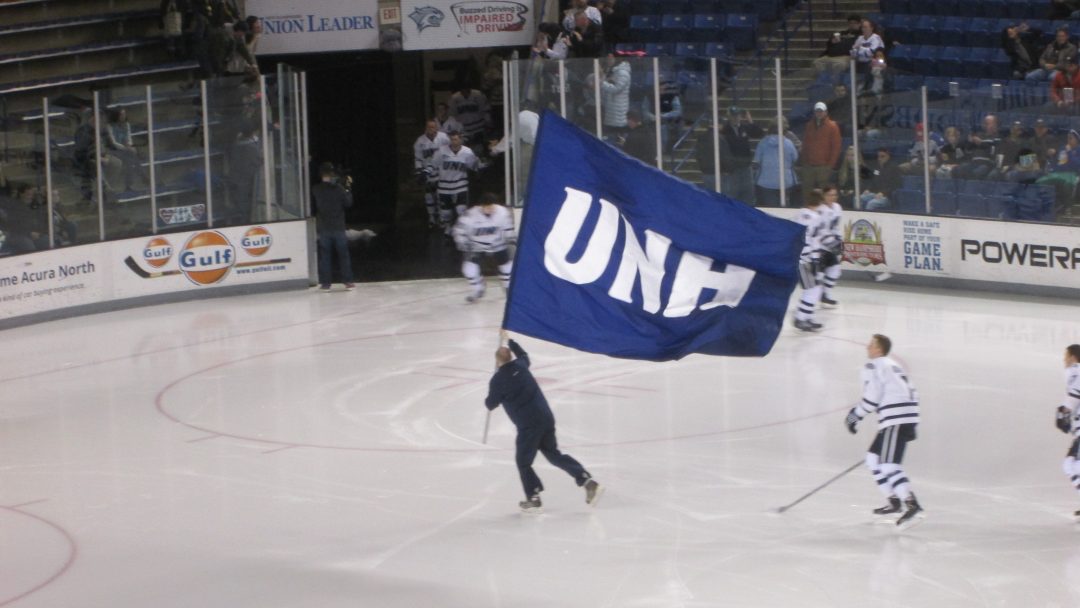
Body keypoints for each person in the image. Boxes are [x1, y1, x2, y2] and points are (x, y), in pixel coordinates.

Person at [485, 330, 603, 513]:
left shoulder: (498, 380)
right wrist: (511, 342)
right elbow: (524, 355)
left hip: (528, 426)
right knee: (554, 455)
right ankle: (586, 480)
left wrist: (494, 387)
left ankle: (533, 497)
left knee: (523, 462)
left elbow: (490, 404)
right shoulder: (521, 365)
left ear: (497, 361)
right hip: (545, 417)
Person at [844, 334, 923, 529]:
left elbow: (873, 397)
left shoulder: (874, 366)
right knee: (873, 459)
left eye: (871, 345)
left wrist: (855, 415)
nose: (867, 347)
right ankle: (894, 501)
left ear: (879, 349)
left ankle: (912, 505)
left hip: (895, 419)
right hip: (902, 417)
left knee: (888, 465)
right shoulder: (894, 366)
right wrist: (911, 419)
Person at [452, 192, 515, 302]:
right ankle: (478, 288)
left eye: (492, 207)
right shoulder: (470, 215)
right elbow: (458, 231)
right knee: (469, 269)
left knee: (508, 267)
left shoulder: (503, 212)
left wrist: (510, 240)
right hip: (477, 246)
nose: (491, 209)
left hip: (498, 245)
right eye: (487, 207)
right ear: (481, 206)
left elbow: (508, 230)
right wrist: (463, 243)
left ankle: (509, 288)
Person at [311, 162, 354, 292]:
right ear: (332, 174)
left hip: (324, 228)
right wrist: (347, 188)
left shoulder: (316, 189)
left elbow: (314, 207)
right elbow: (348, 203)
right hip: (338, 227)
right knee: (343, 255)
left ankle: (325, 284)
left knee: (325, 257)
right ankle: (348, 281)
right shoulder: (339, 189)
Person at [433, 132, 480, 236]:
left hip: (460, 184)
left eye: (456, 139)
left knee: (461, 209)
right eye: (452, 139)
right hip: (444, 186)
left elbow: (473, 166)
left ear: (460, 140)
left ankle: (461, 229)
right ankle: (448, 225)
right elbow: (433, 165)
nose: (454, 142)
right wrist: (430, 176)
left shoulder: (467, 152)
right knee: (446, 212)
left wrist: (478, 163)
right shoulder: (441, 151)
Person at [792, 189, 826, 332]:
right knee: (813, 288)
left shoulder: (800, 214)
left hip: (799, 258)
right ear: (820, 201)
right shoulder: (815, 217)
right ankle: (801, 318)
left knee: (813, 288)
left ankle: (807, 316)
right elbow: (812, 241)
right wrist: (814, 259)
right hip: (805, 260)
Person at [1056, 345, 1080, 518]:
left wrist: (1063, 412)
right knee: (1070, 464)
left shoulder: (1076, 372)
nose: (1064, 359)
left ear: (1072, 357)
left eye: (1066, 355)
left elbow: (1074, 396)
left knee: (1075, 465)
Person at [800, 102, 842, 199]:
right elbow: (805, 144)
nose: (819, 113)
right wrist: (805, 161)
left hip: (824, 166)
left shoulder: (832, 126)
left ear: (826, 112)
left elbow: (836, 147)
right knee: (807, 191)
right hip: (809, 166)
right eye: (817, 111)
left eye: (821, 111)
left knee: (825, 193)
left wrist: (830, 165)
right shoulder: (809, 126)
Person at [413, 120, 450, 229]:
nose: (431, 129)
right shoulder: (420, 141)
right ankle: (432, 218)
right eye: (429, 127)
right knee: (429, 196)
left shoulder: (444, 138)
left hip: (441, 172)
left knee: (440, 196)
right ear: (426, 128)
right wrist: (419, 172)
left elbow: (450, 153)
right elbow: (418, 158)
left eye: (433, 127)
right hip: (427, 172)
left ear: (437, 128)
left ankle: (442, 218)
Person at [753, 120, 799, 206]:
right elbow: (795, 158)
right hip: (786, 181)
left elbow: (757, 160)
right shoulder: (788, 143)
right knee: (784, 208)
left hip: (765, 182)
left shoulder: (763, 143)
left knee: (769, 209)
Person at [818, 185, 843, 306]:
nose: (833, 197)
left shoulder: (837, 207)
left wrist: (838, 240)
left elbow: (835, 227)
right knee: (818, 274)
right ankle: (813, 298)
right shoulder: (820, 210)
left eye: (835, 195)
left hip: (830, 245)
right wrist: (833, 243)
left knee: (835, 269)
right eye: (829, 195)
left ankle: (825, 295)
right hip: (818, 247)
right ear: (823, 196)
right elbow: (820, 231)